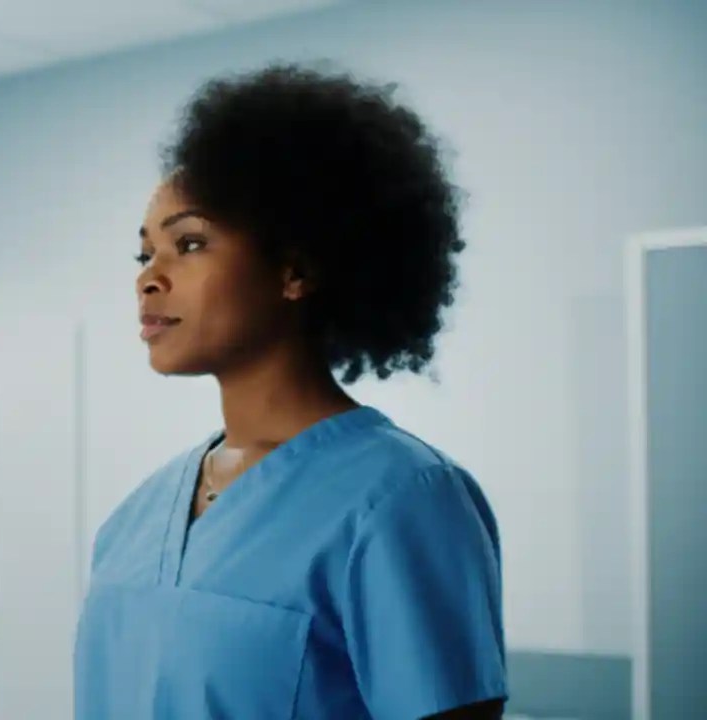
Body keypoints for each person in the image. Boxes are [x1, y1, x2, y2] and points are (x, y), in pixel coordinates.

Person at [73, 63, 507, 719]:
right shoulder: (131, 523)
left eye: (189, 244)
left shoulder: (399, 502)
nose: (149, 280)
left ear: (295, 269)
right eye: (145, 255)